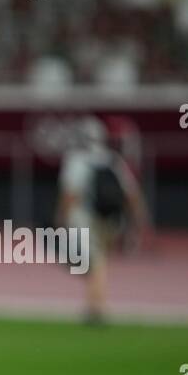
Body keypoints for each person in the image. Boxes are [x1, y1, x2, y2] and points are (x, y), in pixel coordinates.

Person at [56, 117, 150, 323]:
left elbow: (70, 195)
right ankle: (95, 304)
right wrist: (139, 219)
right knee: (97, 262)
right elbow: (132, 194)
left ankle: (96, 308)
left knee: (93, 262)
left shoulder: (76, 160)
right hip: (110, 219)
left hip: (83, 218)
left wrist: (60, 219)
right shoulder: (113, 160)